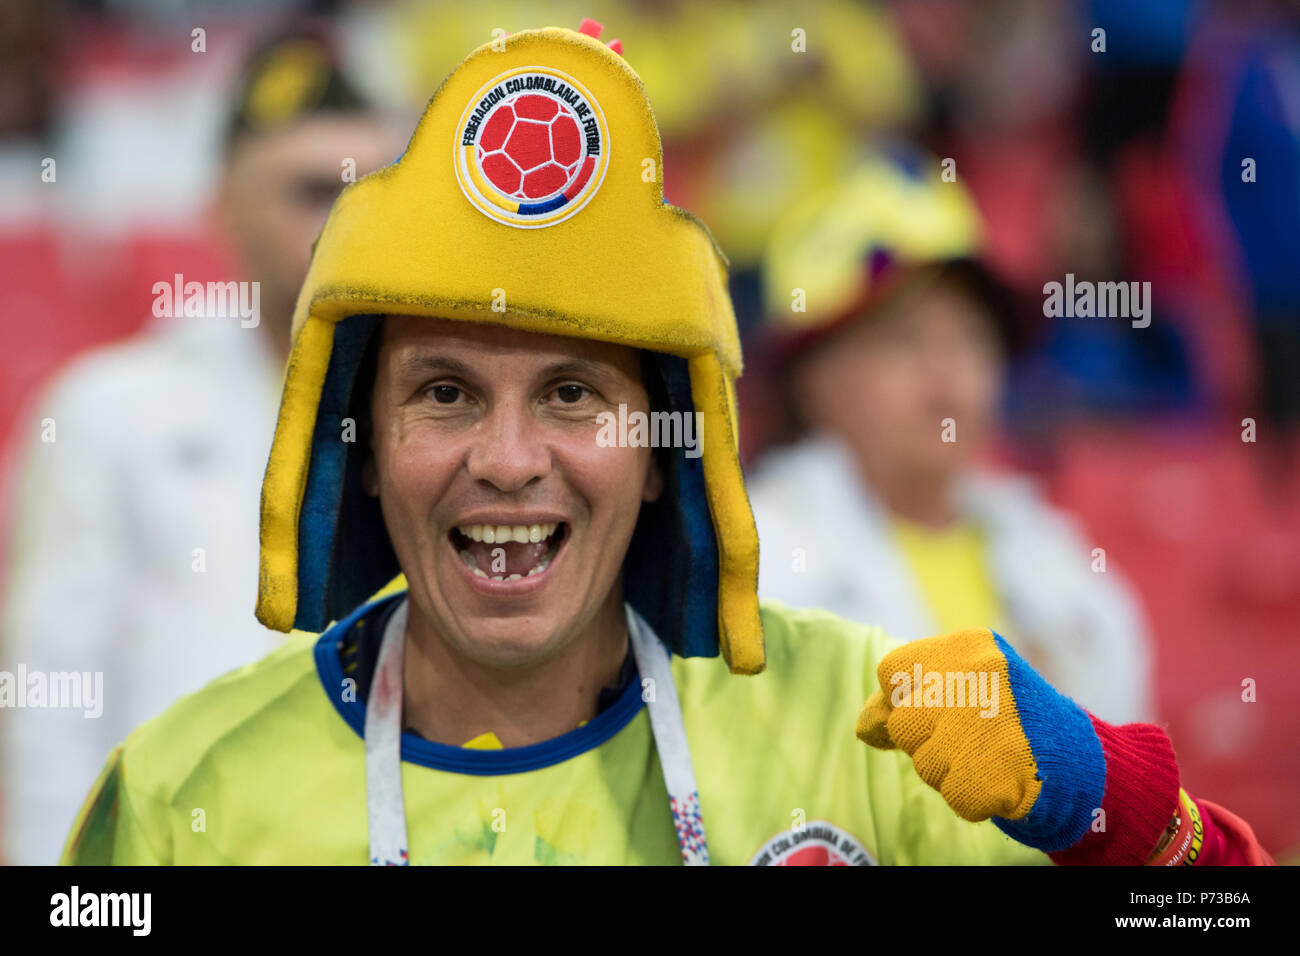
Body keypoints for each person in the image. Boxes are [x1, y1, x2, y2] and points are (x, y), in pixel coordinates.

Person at [60, 19, 1270, 866]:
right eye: (441, 393)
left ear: (665, 451)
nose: (509, 456)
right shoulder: (185, 789)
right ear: (362, 447)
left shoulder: (873, 726)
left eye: (576, 394)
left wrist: (1114, 813)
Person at [1, 26, 398, 864]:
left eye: (372, 193)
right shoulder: (112, 407)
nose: (344, 223)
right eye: (311, 190)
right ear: (221, 205)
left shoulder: (448, 410)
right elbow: (51, 706)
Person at [745, 150, 1155, 725]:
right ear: (813, 378)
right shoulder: (751, 566)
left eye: (971, 338)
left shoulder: (1062, 561)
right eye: (904, 339)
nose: (947, 372)